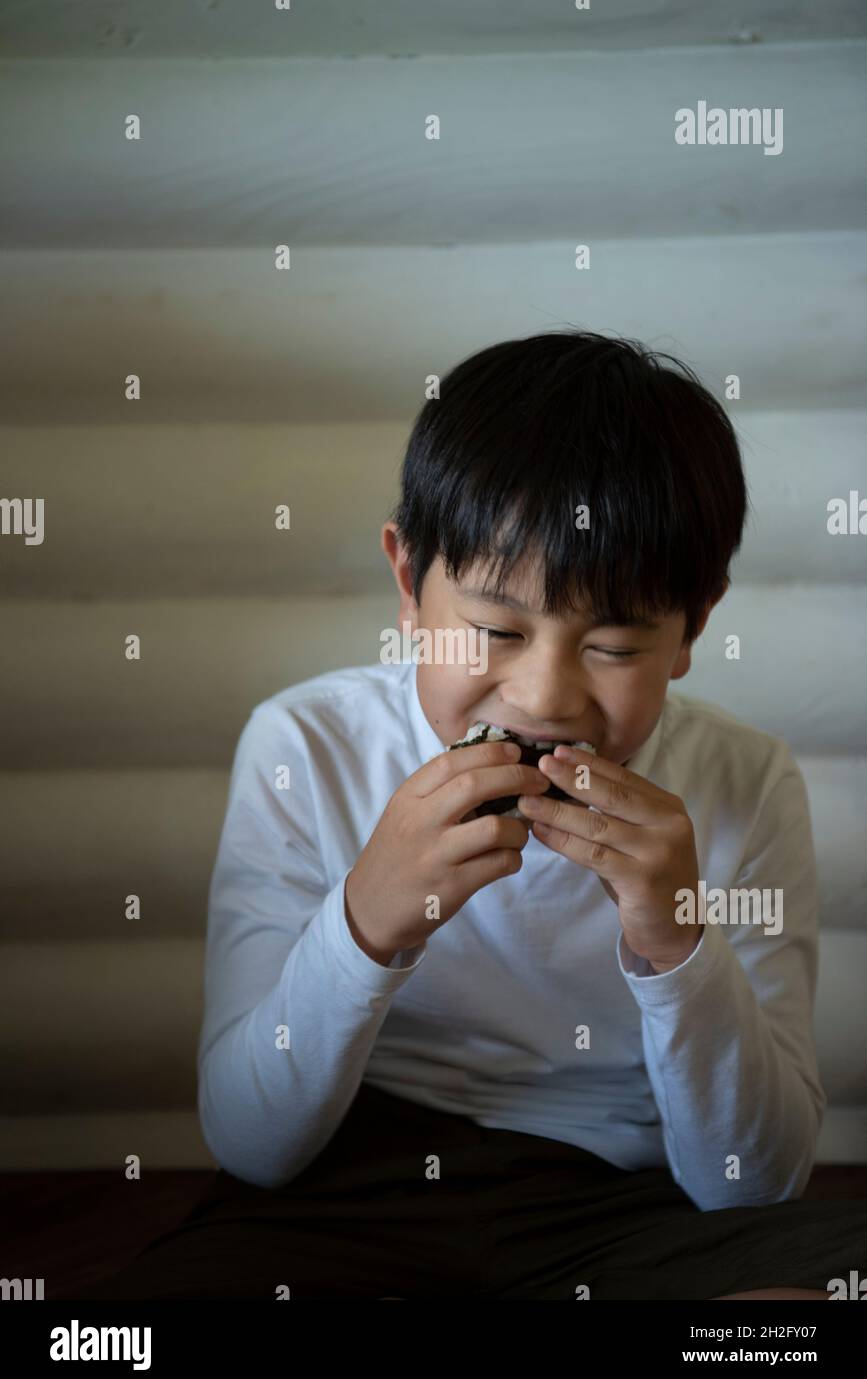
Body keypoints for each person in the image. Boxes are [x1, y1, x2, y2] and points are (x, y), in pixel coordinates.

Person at [73, 330, 867, 1300]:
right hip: (343, 1196)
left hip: (634, 1207)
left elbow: (753, 1184)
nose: (544, 695)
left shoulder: (745, 779)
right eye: (496, 630)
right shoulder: (307, 746)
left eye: (614, 645)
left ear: (693, 627)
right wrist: (366, 919)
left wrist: (676, 943)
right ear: (408, 583)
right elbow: (253, 1142)